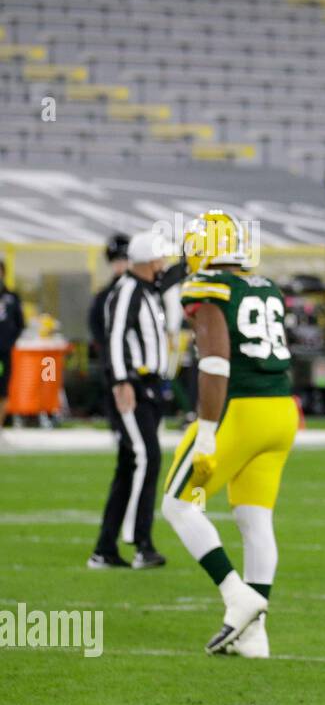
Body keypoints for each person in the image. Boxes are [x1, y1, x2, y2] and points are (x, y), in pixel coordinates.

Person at [161, 209, 299, 657]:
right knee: (253, 518)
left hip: (238, 408)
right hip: (281, 411)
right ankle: (254, 635)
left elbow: (216, 361)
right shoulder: (265, 285)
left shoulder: (207, 288)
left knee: (178, 504)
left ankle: (236, 594)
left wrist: (204, 431)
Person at [88, 232, 171, 570]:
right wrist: (122, 381)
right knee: (145, 457)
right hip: (134, 386)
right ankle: (141, 542)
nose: (163, 264)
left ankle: (104, 549)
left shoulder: (147, 291)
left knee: (128, 465)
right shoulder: (127, 292)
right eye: (160, 259)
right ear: (149, 261)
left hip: (149, 387)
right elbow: (115, 337)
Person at [88, 233, 131, 417]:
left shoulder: (140, 291)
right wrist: (106, 348)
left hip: (133, 357)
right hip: (112, 356)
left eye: (123, 259)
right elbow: (95, 323)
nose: (120, 264)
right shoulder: (104, 294)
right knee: (114, 400)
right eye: (116, 260)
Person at [0, 256, 25, 426]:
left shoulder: (12, 297)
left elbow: (20, 323)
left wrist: (9, 341)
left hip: (3, 352)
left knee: (2, 389)